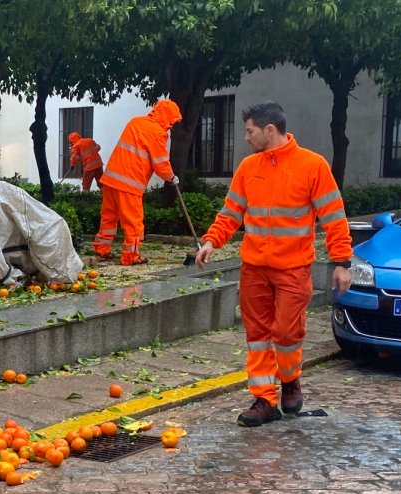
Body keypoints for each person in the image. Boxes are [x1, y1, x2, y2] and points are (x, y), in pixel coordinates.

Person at [195, 101, 353, 427]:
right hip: (254, 267)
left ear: (270, 130)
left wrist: (342, 262)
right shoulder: (248, 167)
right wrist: (212, 240)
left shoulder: (313, 166)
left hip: (293, 267)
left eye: (249, 131)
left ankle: (290, 378)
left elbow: (334, 217)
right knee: (257, 335)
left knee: (286, 333)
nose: (245, 138)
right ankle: (265, 399)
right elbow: (231, 212)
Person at [95, 99, 183, 265]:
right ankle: (131, 257)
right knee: (133, 223)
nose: (171, 125)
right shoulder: (157, 132)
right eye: (172, 121)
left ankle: (101, 250)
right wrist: (171, 177)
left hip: (111, 179)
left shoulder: (135, 122)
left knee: (108, 218)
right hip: (130, 183)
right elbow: (161, 164)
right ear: (166, 117)